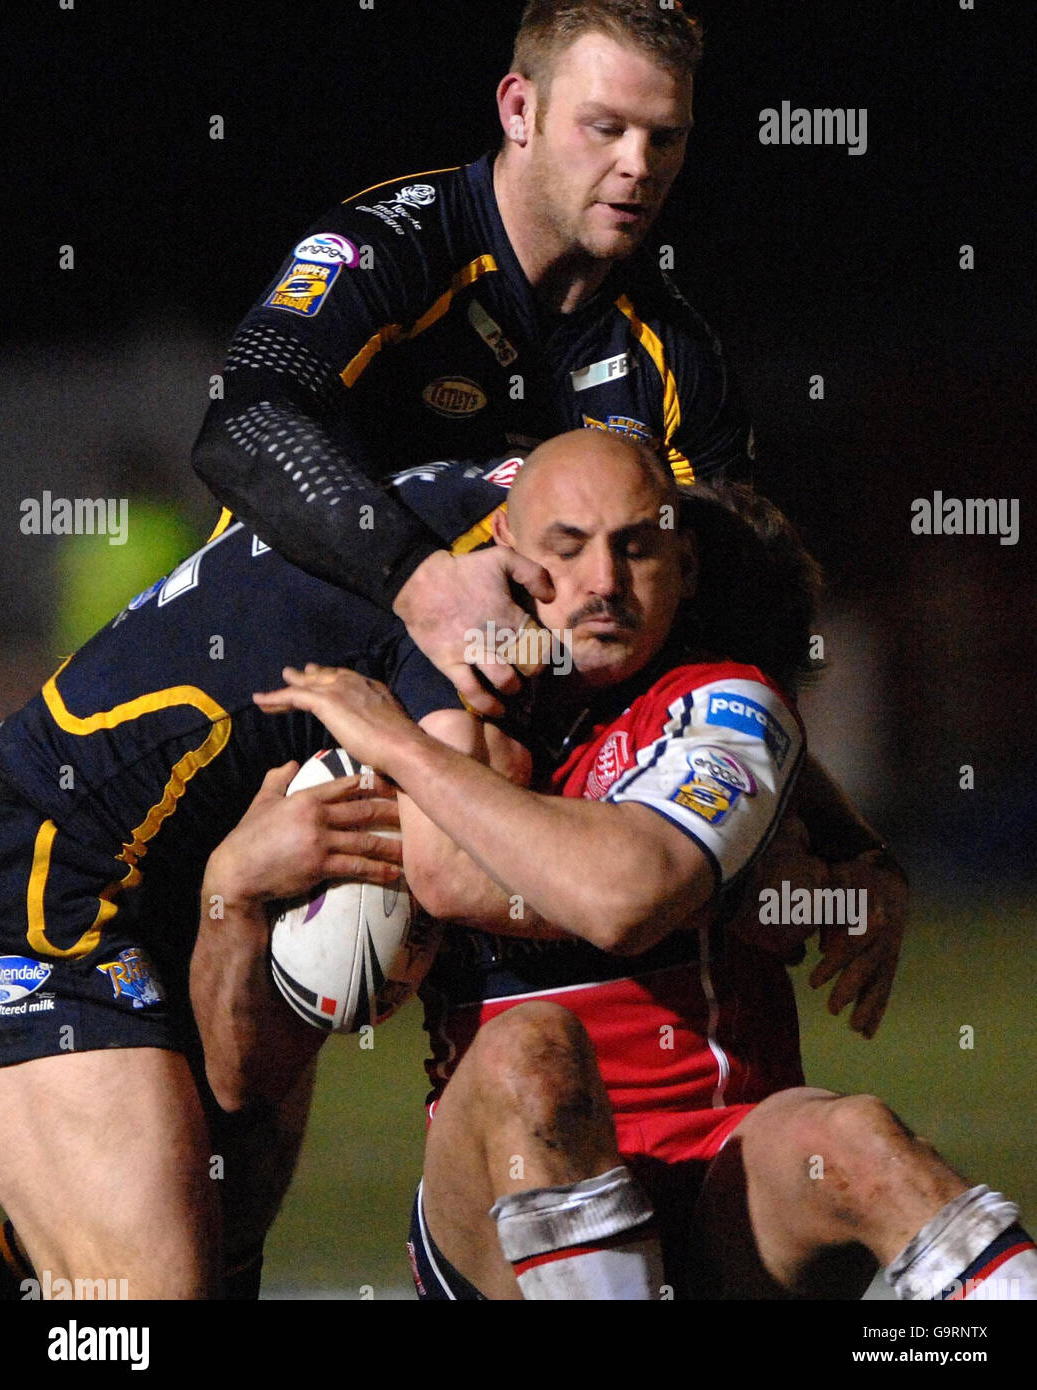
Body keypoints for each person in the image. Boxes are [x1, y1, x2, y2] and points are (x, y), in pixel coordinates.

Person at [191, 0, 907, 1020]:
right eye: (604, 127)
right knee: (210, 1119)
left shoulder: (678, 362)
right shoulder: (398, 245)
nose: (637, 165)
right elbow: (240, 420)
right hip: (258, 724)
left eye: (665, 138)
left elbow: (728, 644)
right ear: (518, 108)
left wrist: (846, 847)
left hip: (465, 785)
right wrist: (422, 579)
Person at [244, 431, 1023, 1302]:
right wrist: (231, 889)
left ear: (683, 568)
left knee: (861, 1140)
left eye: (635, 547)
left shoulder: (724, 707)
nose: (602, 583)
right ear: (505, 555)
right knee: (528, 1055)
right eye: (566, 549)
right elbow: (247, 1067)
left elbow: (610, 900)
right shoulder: (445, 708)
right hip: (503, 1196)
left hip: (724, 1177)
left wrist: (404, 750)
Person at [0, 494, 472, 1300]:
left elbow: (239, 1083)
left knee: (224, 1229)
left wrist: (235, 889)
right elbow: (475, 876)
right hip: (45, 884)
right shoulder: (430, 593)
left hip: (184, 877)